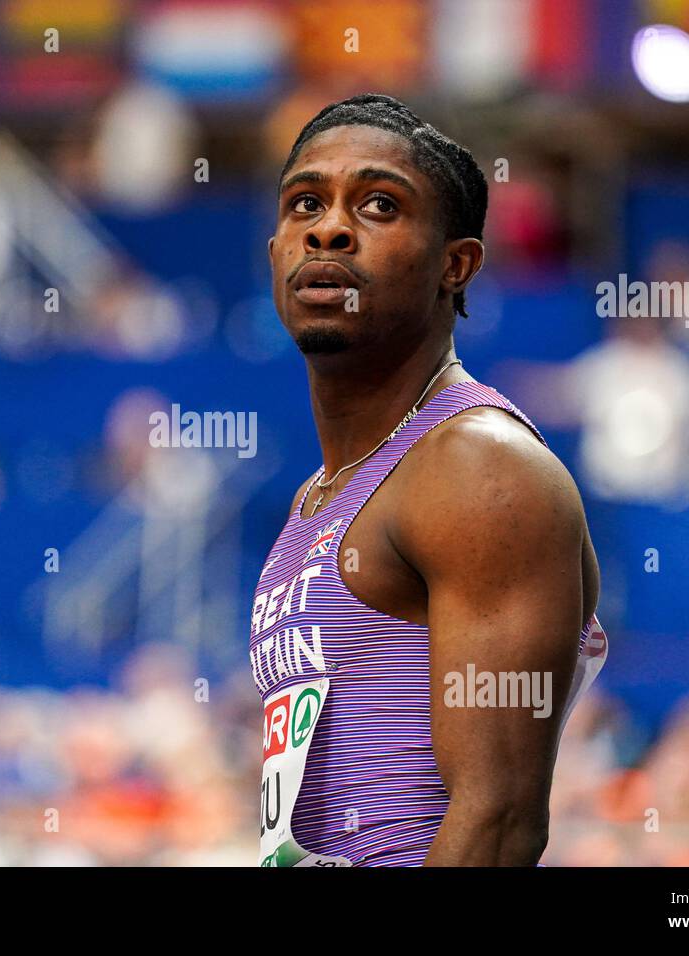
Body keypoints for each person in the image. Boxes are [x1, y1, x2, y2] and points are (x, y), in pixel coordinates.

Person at [252, 94, 607, 867]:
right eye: (305, 203)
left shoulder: (479, 467)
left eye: (379, 204)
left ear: (457, 265)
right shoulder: (319, 494)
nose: (329, 227)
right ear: (276, 250)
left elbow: (500, 820)